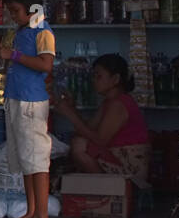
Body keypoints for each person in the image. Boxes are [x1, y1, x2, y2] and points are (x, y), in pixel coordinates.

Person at [0, 0, 55, 218]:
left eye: (16, 11)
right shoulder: (22, 31)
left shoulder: (43, 31)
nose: (13, 16)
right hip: (17, 99)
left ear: (31, 7)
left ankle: (42, 217)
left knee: (37, 160)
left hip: (31, 102)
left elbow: (46, 65)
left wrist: (13, 55)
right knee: (26, 160)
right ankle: (31, 211)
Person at [52, 53, 150, 189]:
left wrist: (71, 114)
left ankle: (107, 189)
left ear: (115, 79)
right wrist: (72, 109)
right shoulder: (108, 103)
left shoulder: (119, 104)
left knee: (79, 146)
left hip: (131, 168)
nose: (93, 80)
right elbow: (86, 130)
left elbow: (100, 139)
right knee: (78, 142)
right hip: (118, 159)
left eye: (98, 76)